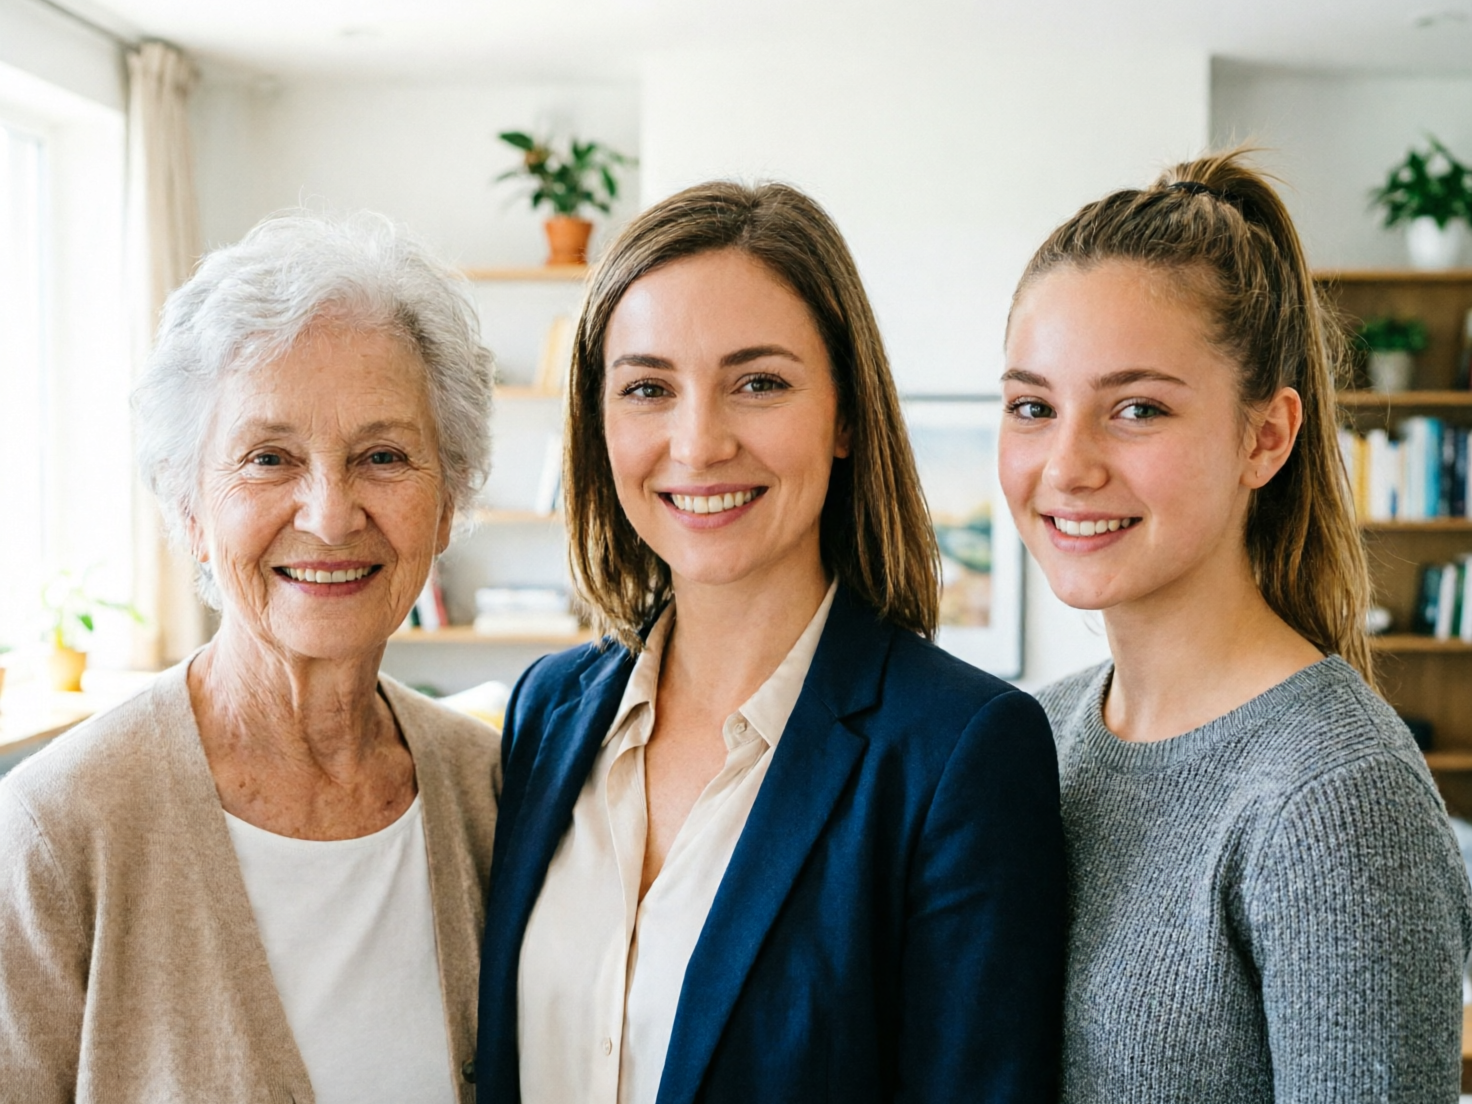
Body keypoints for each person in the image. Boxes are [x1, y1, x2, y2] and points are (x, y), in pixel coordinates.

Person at [474, 181, 1066, 1103]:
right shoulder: (547, 712)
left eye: (758, 383)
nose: (698, 443)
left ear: (846, 415)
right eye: (647, 389)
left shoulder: (961, 752)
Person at [998, 150, 1472, 1101]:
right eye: (1033, 407)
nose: (1067, 465)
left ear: (1266, 437)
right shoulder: (1031, 738)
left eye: (1137, 408)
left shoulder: (1336, 797)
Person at [0, 211, 500, 1104]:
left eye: (383, 456)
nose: (330, 515)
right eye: (269, 458)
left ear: (448, 501)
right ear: (189, 506)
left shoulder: (492, 792)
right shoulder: (57, 829)